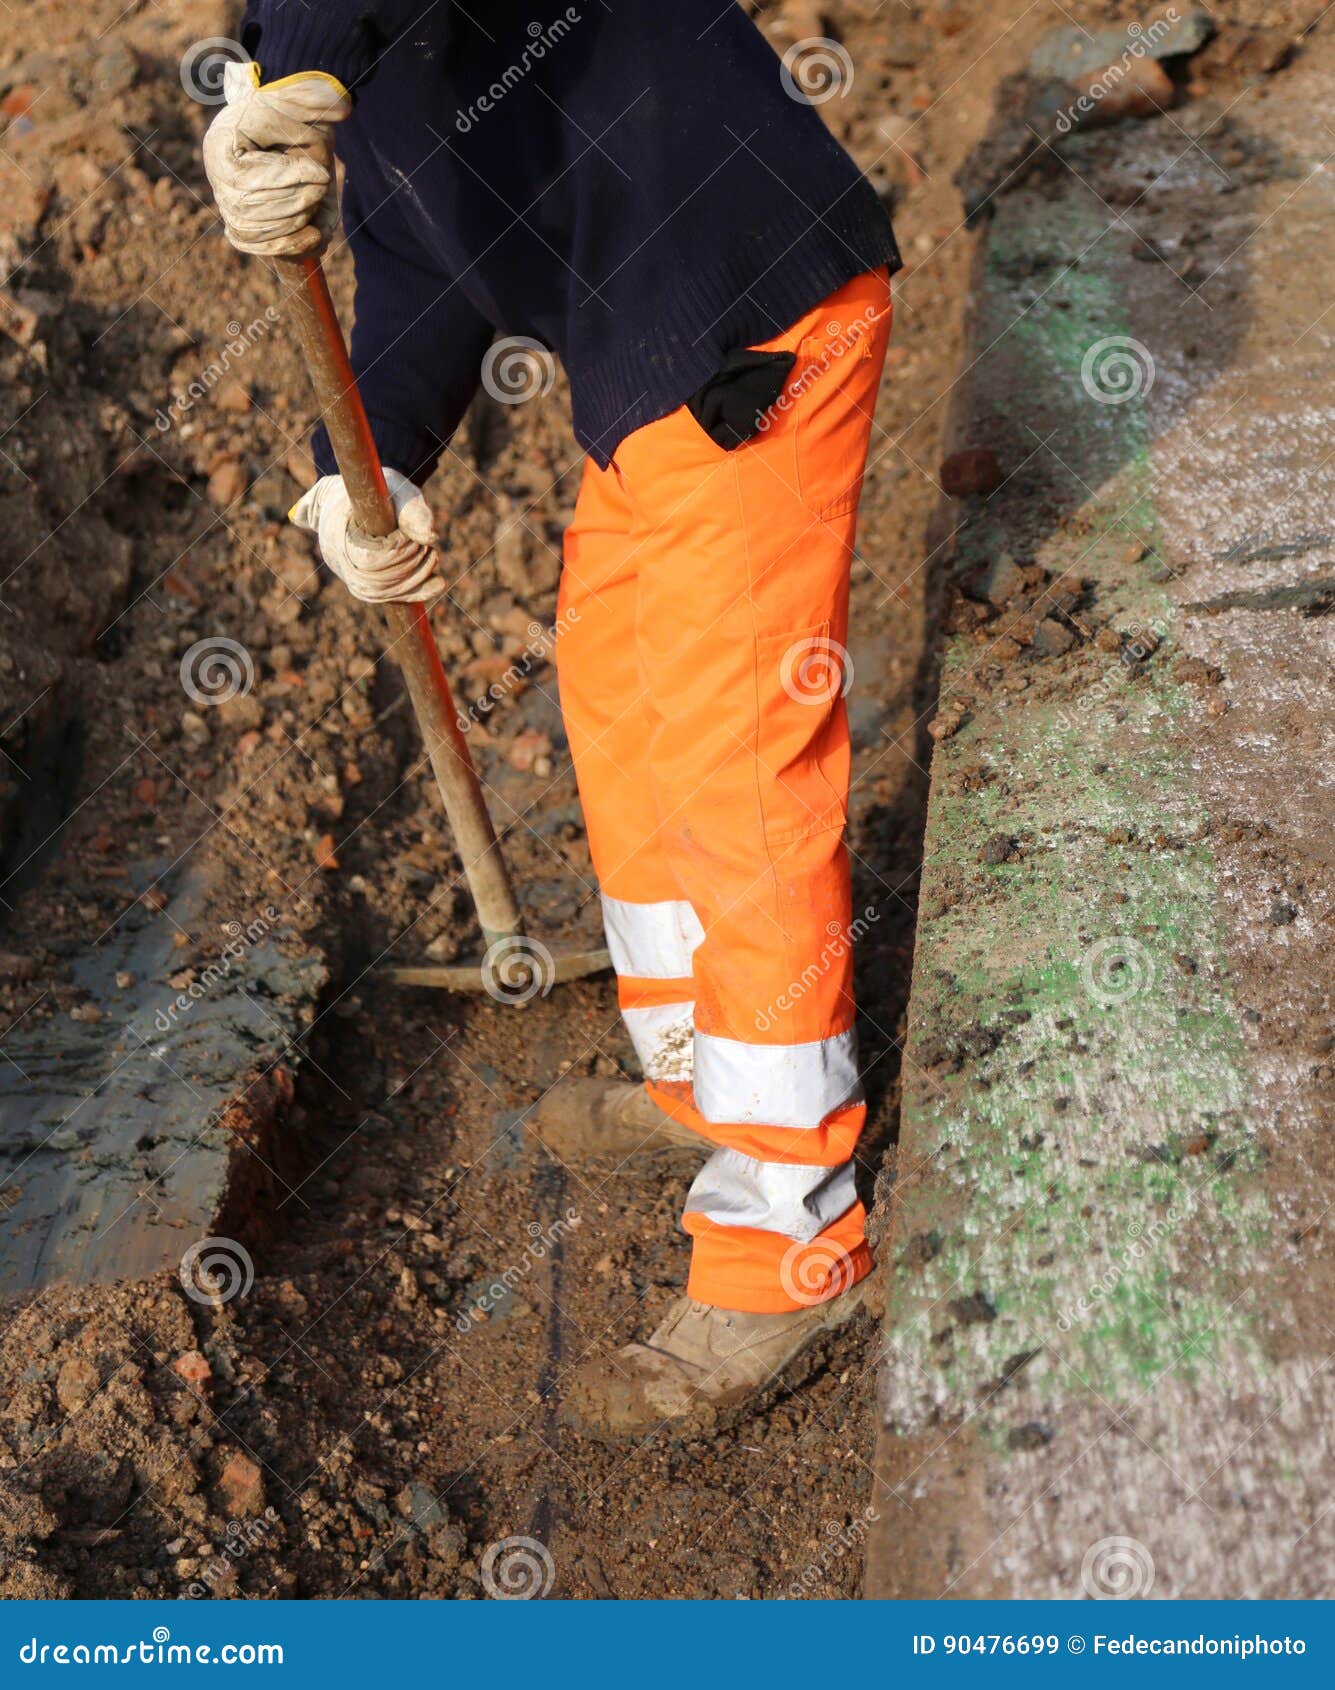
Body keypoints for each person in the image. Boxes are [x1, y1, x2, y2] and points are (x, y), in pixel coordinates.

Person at [204, 0, 901, 1438]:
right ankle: (703, 1067)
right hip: (648, 374)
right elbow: (420, 273)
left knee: (731, 759)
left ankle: (791, 1239)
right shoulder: (311, 39)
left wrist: (296, 78)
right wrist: (365, 468)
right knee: (620, 689)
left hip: (748, 311)